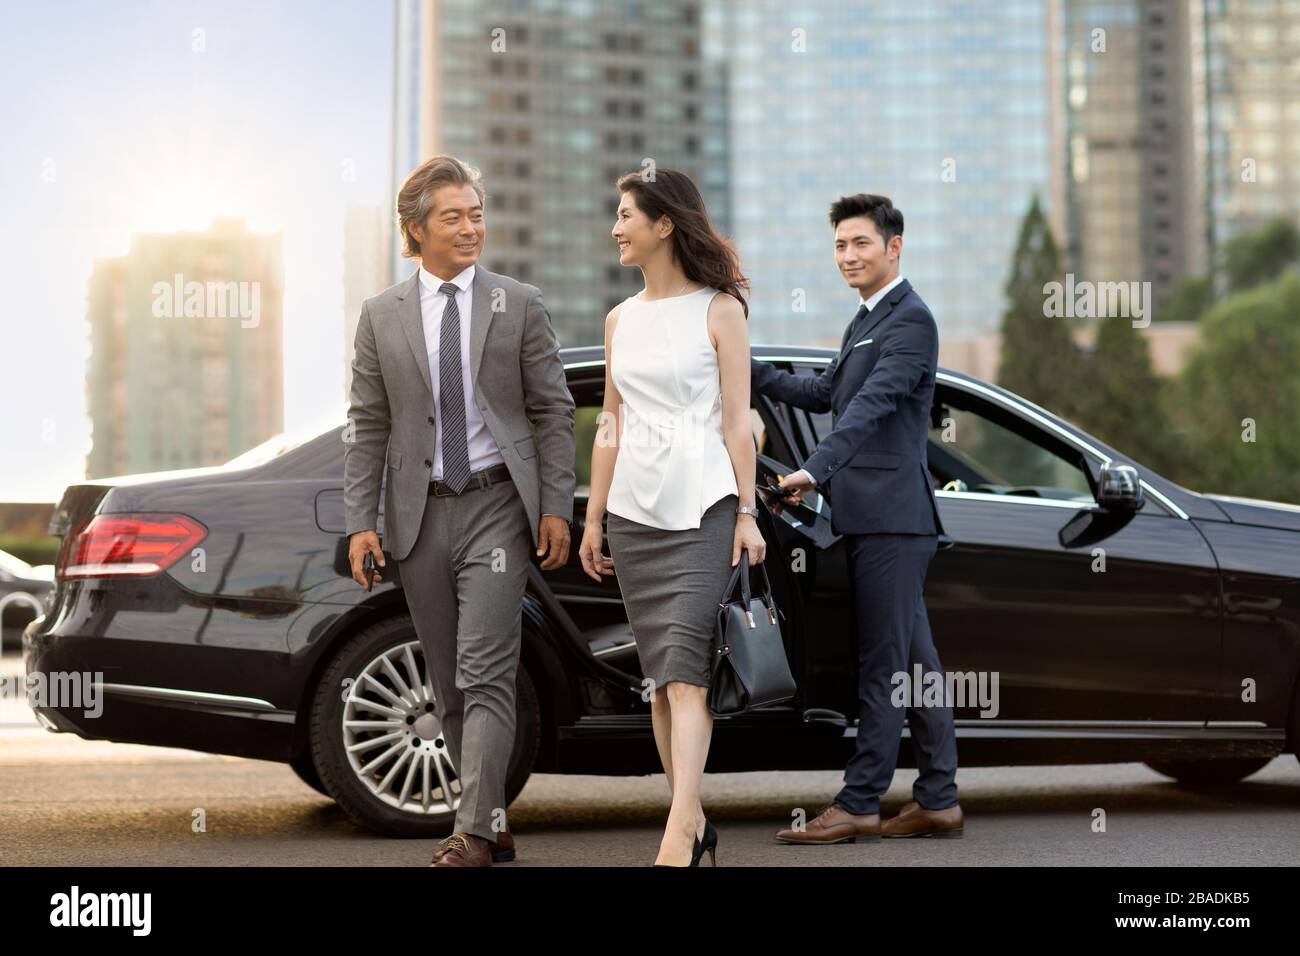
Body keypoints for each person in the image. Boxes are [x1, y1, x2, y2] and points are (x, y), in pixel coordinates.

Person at [343, 155, 576, 867]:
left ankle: (472, 832)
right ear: (417, 230)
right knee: (446, 683)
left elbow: (553, 410)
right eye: (454, 216)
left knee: (485, 673)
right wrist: (362, 521)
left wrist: (556, 507)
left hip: (496, 508)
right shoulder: (381, 314)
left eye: (477, 213)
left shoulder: (518, 303)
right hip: (417, 517)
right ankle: (493, 816)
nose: (471, 226)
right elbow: (367, 422)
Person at [752, 193, 962, 844]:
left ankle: (861, 800)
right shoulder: (867, 319)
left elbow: (867, 409)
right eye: (840, 245)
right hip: (874, 520)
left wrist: (813, 471)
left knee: (883, 665)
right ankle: (938, 797)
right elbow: (824, 392)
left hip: (894, 522)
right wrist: (743, 366)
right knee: (916, 664)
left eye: (861, 243)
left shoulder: (911, 321)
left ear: (893, 246)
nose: (848, 256)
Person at [578, 168, 762, 866]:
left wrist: (747, 514)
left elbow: (739, 423)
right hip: (634, 511)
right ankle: (694, 817)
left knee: (687, 674)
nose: (616, 227)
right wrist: (594, 516)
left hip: (704, 505)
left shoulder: (721, 311)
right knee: (661, 679)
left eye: (626, 215)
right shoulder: (620, 320)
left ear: (664, 225)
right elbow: (610, 425)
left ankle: (678, 832)